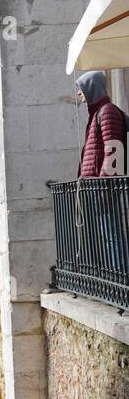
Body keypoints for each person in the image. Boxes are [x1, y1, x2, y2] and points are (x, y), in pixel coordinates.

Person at [75, 70, 128, 277]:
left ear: (91, 87)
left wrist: (104, 185)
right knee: (106, 236)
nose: (79, 94)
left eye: (81, 88)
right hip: (94, 188)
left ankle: (121, 281)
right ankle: (114, 280)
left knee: (113, 235)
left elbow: (112, 150)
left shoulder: (106, 112)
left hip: (103, 188)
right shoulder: (97, 113)